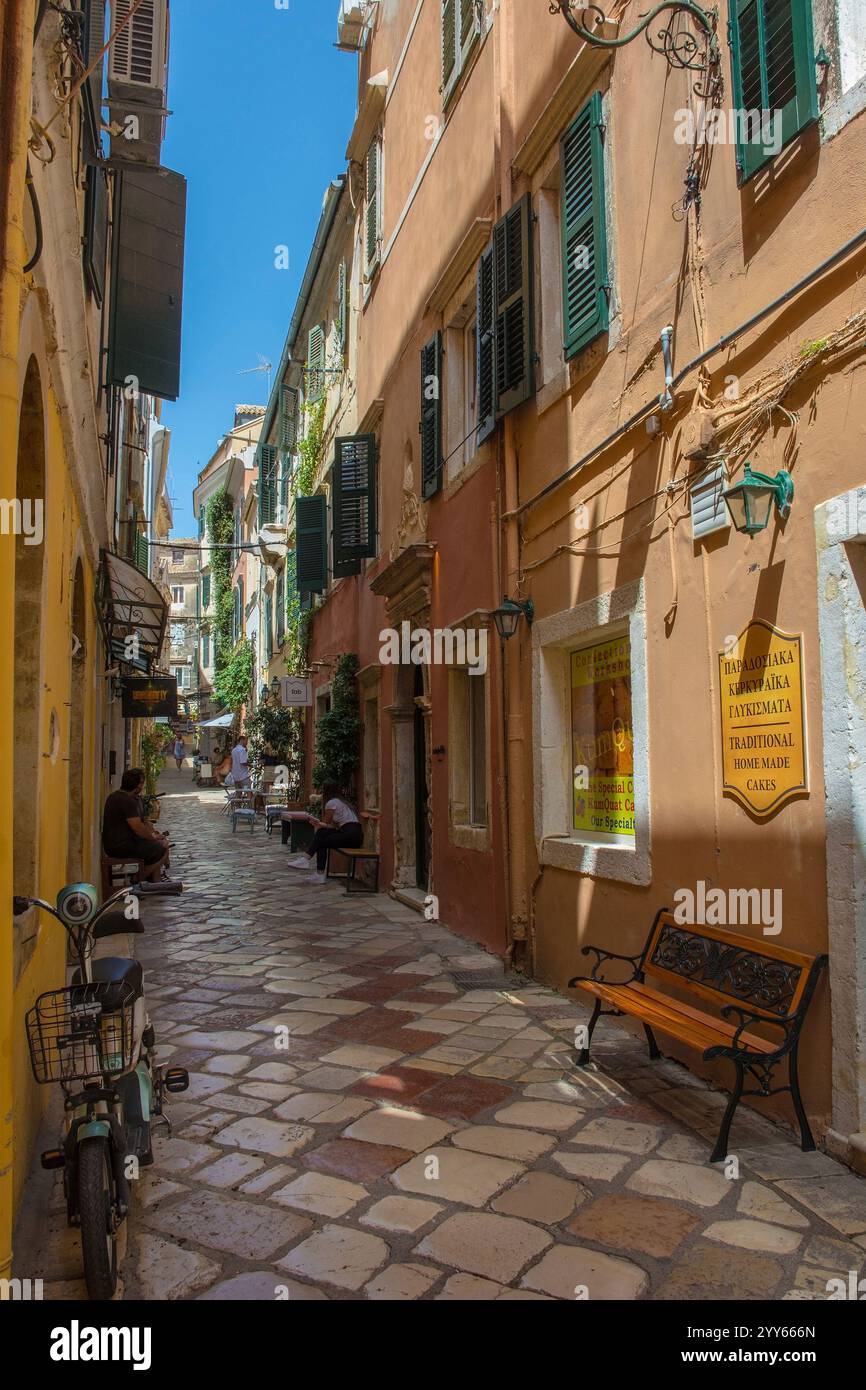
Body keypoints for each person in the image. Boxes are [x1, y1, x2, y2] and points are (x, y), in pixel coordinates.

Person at [102, 768, 170, 884]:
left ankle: (155, 879)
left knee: (160, 843)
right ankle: (139, 879)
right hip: (121, 845)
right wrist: (152, 838)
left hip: (121, 842)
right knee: (161, 849)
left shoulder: (117, 796)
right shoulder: (127, 801)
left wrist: (154, 834)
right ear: (137, 785)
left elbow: (144, 823)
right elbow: (137, 827)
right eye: (141, 783)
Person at [286, 783, 363, 884]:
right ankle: (307, 862)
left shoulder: (331, 803)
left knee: (321, 841)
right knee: (322, 833)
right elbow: (332, 827)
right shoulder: (343, 803)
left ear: (326, 792)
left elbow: (326, 822)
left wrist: (316, 823)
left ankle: (314, 868)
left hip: (348, 834)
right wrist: (318, 824)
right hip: (356, 835)